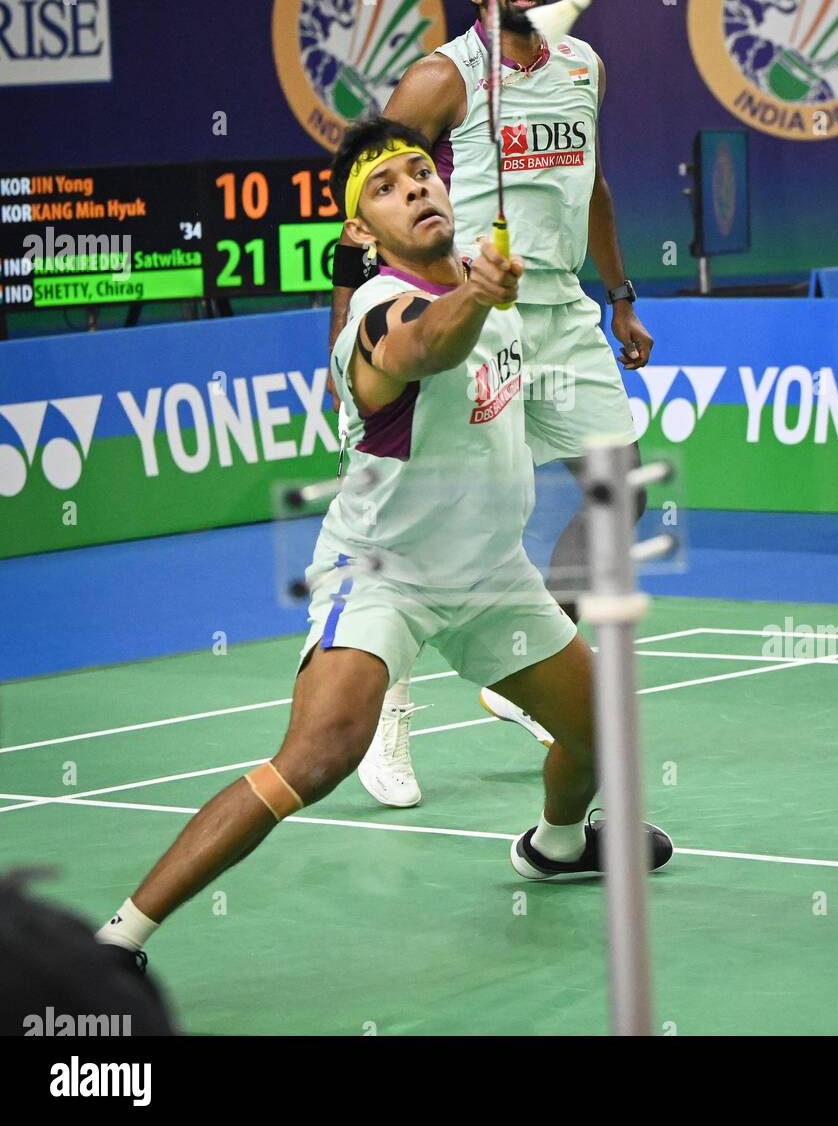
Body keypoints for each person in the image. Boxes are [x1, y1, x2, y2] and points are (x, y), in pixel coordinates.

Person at [95, 119, 672, 971]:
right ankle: (118, 940)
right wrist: (478, 295)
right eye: (387, 188)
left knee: (601, 731)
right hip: (381, 576)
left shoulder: (493, 297)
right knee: (322, 753)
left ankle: (556, 846)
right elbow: (420, 344)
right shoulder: (377, 314)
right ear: (361, 231)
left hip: (487, 575)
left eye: (421, 174)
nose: (415, 189)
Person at [329, 0, 653, 807]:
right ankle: (388, 710)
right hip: (466, 315)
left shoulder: (584, 66)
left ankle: (531, 656)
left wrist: (621, 295)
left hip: (563, 310)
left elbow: (593, 185)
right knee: (439, 517)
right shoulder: (444, 77)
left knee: (616, 488)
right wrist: (352, 323)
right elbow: (367, 193)